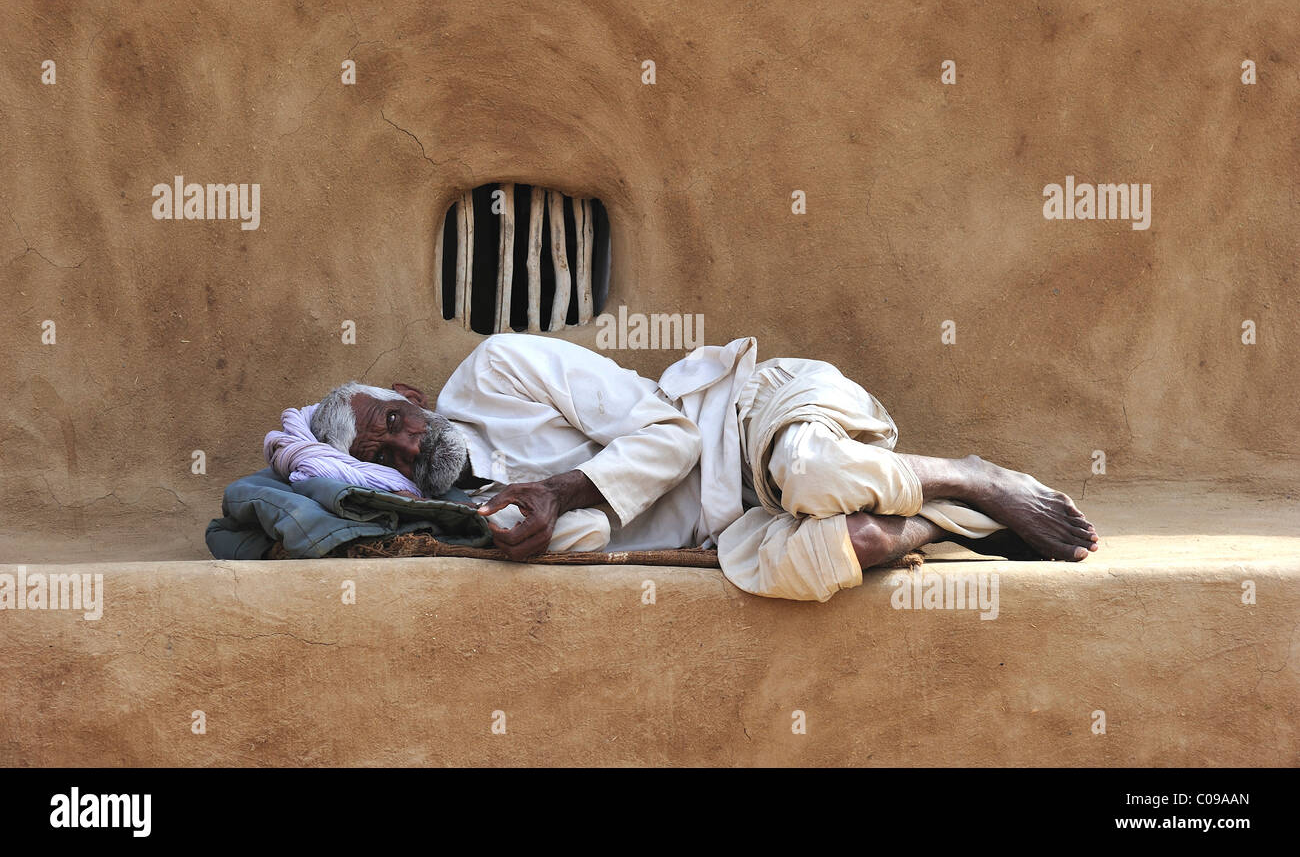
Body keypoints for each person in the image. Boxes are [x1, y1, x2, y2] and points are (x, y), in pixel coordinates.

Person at [272, 333, 1098, 602]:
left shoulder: (496, 370)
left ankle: (971, 476)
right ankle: (949, 523)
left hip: (750, 419)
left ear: (411, 396)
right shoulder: (476, 512)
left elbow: (669, 436)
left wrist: (557, 491)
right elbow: (595, 537)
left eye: (395, 423)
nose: (409, 448)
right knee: (846, 551)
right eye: (384, 461)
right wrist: (540, 528)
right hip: (731, 525)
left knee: (812, 476)